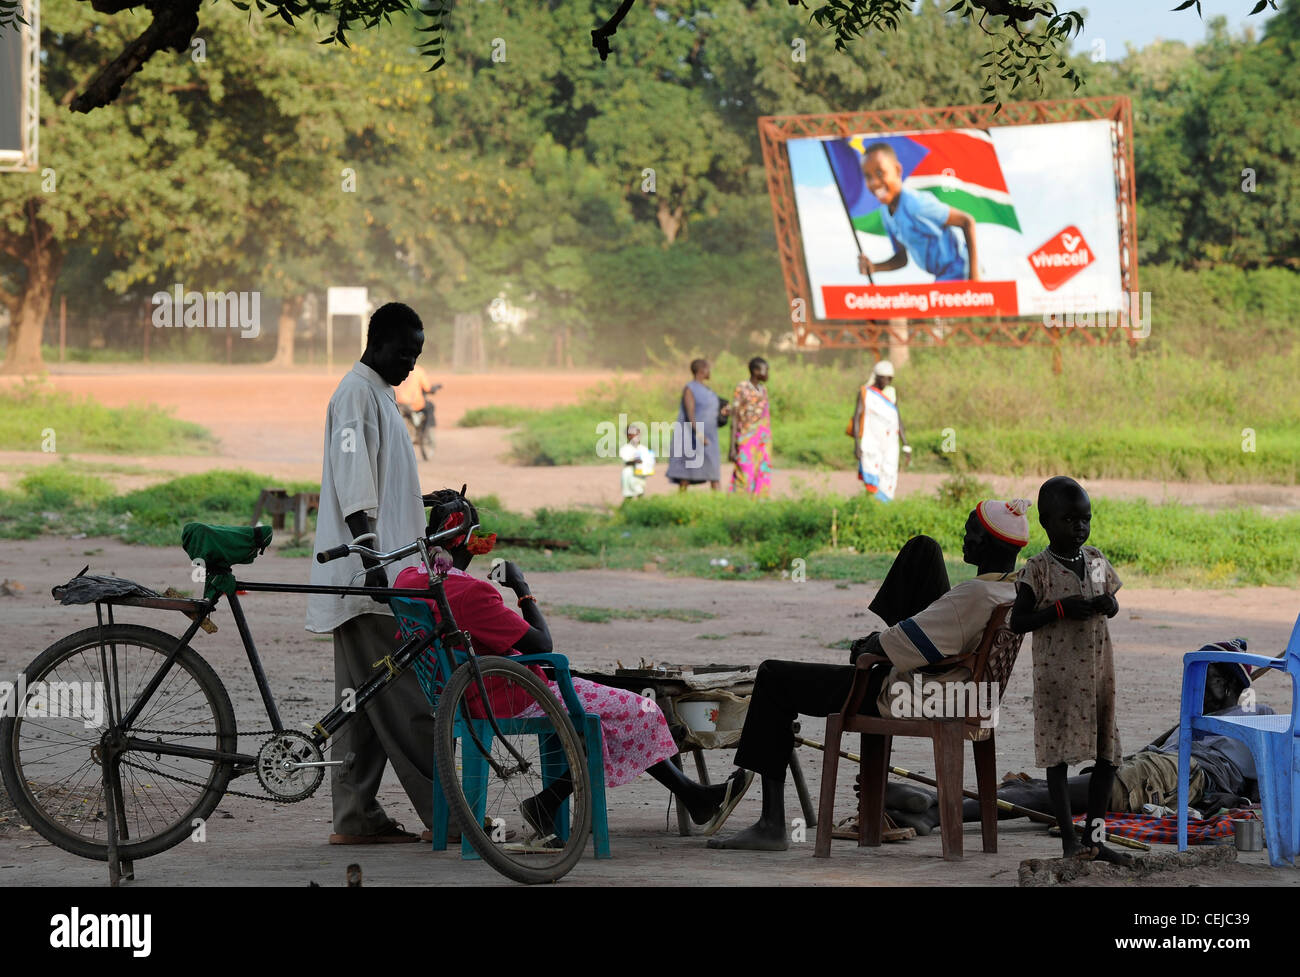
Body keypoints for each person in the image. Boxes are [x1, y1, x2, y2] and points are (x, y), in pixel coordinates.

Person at [394, 489, 753, 840]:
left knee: (610, 711)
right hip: (509, 696)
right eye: (482, 539)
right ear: (467, 542)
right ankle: (689, 798)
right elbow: (541, 643)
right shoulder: (473, 593)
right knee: (642, 709)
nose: (483, 547)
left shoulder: (409, 580)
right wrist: (521, 587)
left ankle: (689, 798)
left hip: (457, 695)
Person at [707, 498, 1032, 851]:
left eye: (971, 531)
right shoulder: (1010, 588)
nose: (965, 537)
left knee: (773, 676)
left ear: (986, 542)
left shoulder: (973, 594)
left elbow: (888, 645)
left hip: (916, 697)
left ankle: (770, 825)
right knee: (923, 550)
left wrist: (869, 646)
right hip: (966, 694)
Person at [306, 302, 438, 845]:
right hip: (372, 581)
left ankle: (355, 817)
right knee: (411, 705)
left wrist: (433, 500)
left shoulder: (379, 395)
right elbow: (353, 482)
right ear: (376, 340)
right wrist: (372, 562)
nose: (409, 364)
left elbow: (384, 484)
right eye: (403, 352)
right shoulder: (355, 396)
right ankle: (452, 813)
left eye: (417, 356)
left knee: (361, 705)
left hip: (386, 571)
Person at [888, 656, 1274, 833]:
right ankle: (939, 805)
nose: (1191, 691)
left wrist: (1235, 800)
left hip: (1191, 773)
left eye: (1202, 682)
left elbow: (1271, 778)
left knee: (1059, 794)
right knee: (1036, 788)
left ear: (1225, 684)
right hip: (1163, 765)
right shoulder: (1195, 719)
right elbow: (1156, 749)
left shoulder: (1261, 715)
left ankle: (940, 811)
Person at [1009, 475, 1132, 865]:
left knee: (1106, 759)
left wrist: (1108, 606)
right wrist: (1059, 610)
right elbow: (1018, 621)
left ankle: (1095, 839)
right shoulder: (1038, 570)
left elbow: (1106, 596)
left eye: (1086, 519)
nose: (1080, 527)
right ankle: (1069, 841)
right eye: (1070, 520)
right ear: (1046, 522)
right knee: (1059, 761)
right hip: (1059, 681)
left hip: (1098, 675)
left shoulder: (1094, 560)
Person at [857, 143, 978, 283]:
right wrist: (874, 267)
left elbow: (966, 221)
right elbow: (901, 259)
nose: (874, 183)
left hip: (960, 271)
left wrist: (974, 277)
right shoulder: (885, 213)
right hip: (941, 277)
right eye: (868, 176)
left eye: (880, 173)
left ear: (897, 170)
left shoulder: (916, 204)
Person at [847, 360, 911, 501]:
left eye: (890, 379)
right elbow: (857, 417)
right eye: (885, 378)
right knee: (872, 475)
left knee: (888, 476)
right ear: (877, 376)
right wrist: (856, 444)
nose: (887, 382)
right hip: (871, 443)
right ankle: (870, 506)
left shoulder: (891, 393)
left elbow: (897, 419)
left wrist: (906, 445)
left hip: (890, 445)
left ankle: (883, 509)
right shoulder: (865, 393)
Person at [665, 358, 726, 491]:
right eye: (708, 368)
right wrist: (699, 434)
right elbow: (690, 414)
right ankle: (681, 503)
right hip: (693, 437)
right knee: (685, 474)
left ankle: (719, 504)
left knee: (714, 473)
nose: (710, 371)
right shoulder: (690, 388)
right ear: (701, 370)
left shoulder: (708, 391)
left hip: (710, 437)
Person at [729, 357, 772, 497]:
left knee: (762, 470)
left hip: (763, 438)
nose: (768, 374)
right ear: (755, 371)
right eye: (766, 370)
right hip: (746, 436)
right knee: (744, 470)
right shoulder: (742, 387)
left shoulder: (763, 390)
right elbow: (735, 416)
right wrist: (732, 446)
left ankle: (760, 502)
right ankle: (740, 502)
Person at [619, 423, 654, 501]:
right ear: (629, 436)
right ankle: (622, 511)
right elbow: (627, 461)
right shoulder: (625, 449)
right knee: (628, 496)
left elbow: (648, 460)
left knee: (640, 494)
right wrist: (635, 461)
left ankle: (639, 511)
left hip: (640, 475)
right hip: (628, 475)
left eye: (638, 434)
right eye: (634, 435)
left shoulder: (643, 448)